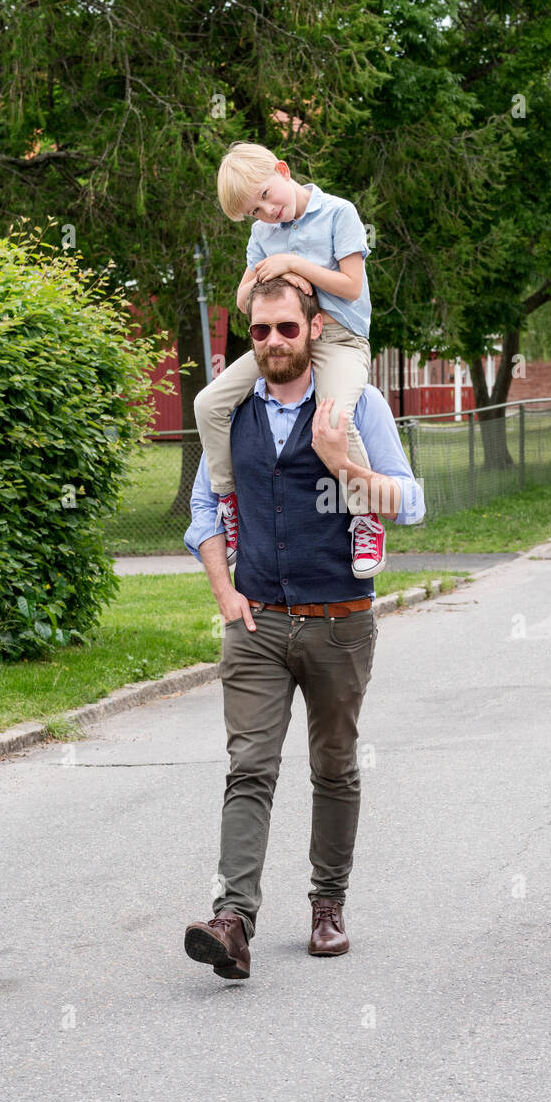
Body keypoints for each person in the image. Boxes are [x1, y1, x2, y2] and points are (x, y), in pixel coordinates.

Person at [183, 277, 425, 981]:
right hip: (257, 623)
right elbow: (204, 507)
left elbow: (409, 501)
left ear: (315, 328)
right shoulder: (230, 413)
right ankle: (232, 921)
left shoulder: (355, 404)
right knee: (249, 768)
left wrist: (342, 464)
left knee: (335, 766)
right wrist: (225, 590)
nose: (273, 344)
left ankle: (327, 903)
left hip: (339, 620)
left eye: (287, 329)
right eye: (260, 333)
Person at [194, 141, 386, 578]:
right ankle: (230, 504)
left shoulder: (339, 213)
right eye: (254, 213)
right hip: (285, 336)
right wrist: (280, 271)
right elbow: (245, 299)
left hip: (339, 339)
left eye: (265, 196)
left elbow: (351, 286)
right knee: (208, 404)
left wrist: (293, 264)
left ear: (282, 171)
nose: (266, 213)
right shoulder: (263, 236)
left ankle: (365, 517)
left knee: (334, 414)